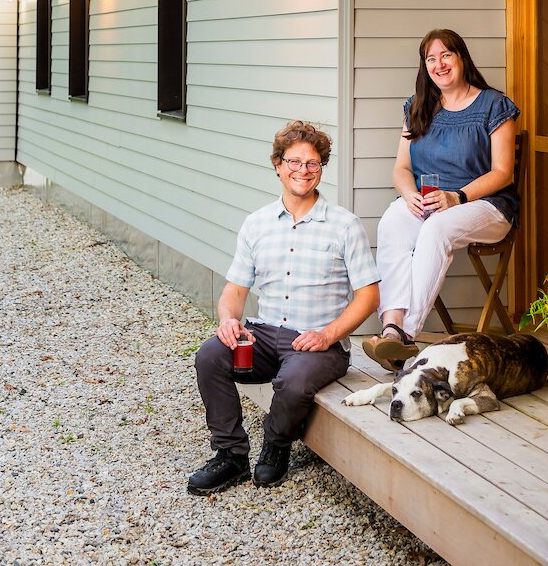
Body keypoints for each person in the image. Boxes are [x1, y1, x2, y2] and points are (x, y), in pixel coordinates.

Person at [189, 120, 380, 494]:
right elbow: (235, 290)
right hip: (262, 333)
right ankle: (230, 455)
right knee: (209, 356)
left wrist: (328, 335)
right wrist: (228, 320)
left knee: (292, 382)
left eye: (312, 163)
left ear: (321, 168)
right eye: (294, 162)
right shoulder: (256, 224)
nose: (302, 171)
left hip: (319, 341)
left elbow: (369, 296)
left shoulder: (345, 225)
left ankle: (276, 446)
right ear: (277, 165)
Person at [365, 29, 520, 368]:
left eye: (446, 55)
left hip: (487, 205)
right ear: (425, 67)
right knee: (393, 221)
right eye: (431, 59)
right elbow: (402, 168)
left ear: (462, 58)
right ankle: (391, 327)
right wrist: (409, 196)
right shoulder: (419, 106)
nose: (439, 64)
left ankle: (406, 335)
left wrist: (458, 196)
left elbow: (503, 172)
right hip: (429, 202)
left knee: (437, 230)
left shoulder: (493, 105)